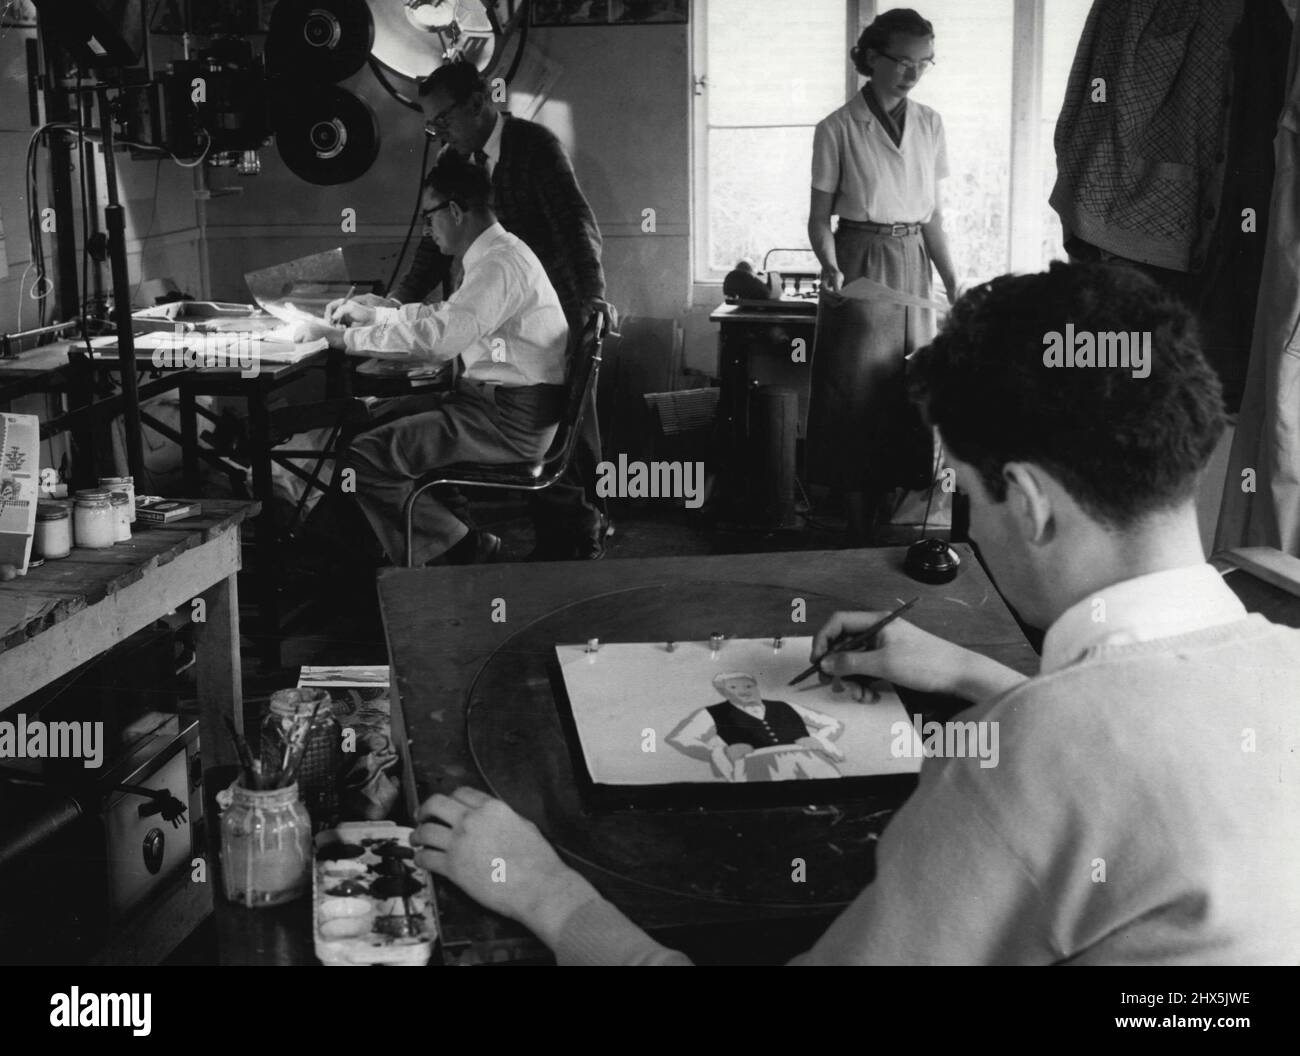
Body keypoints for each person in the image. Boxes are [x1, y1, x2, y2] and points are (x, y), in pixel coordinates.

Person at [407, 261, 1300, 964]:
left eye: (970, 494)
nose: (972, 521)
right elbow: (1150, 723)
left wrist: (547, 895)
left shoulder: (1035, 767)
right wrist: (974, 675)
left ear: (1027, 500)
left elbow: (1077, 760)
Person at [341, 60, 613, 561]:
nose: (438, 132)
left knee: (563, 445)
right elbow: (433, 244)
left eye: (443, 119)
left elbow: (575, 226)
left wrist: (592, 299)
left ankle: (573, 540)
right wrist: (395, 305)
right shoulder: (455, 157)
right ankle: (460, 540)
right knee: (464, 412)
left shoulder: (533, 148)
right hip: (492, 319)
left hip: (549, 311)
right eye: (432, 125)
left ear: (479, 102)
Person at [291, 154, 569, 567]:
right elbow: (445, 318)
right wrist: (379, 314)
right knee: (370, 420)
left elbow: (439, 339)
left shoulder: (498, 265)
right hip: (498, 406)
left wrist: (342, 337)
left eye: (429, 217)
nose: (427, 229)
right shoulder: (498, 254)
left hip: (508, 421)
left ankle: (460, 551)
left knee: (365, 456)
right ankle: (431, 541)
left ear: (455, 211)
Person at [806, 8, 958, 542]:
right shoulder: (837, 128)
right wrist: (829, 263)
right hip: (859, 259)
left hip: (913, 260)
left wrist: (953, 280)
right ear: (871, 57)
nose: (912, 73)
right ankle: (855, 531)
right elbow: (818, 218)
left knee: (907, 390)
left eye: (924, 63)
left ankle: (891, 527)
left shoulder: (931, 124)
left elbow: (933, 217)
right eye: (901, 61)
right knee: (855, 394)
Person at [667, 672, 845, 783]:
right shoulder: (713, 712)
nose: (743, 690)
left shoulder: (784, 705)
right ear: (723, 692)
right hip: (757, 768)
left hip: (810, 762)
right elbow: (681, 738)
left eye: (748, 686)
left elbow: (834, 723)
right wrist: (724, 752)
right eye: (734, 687)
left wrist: (818, 740)